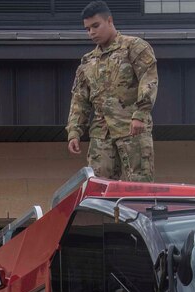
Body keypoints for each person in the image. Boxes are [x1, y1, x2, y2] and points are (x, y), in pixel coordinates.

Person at [65, 1, 159, 182]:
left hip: (132, 129)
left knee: (139, 185)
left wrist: (140, 114)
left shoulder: (134, 47)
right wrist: (74, 132)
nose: (91, 32)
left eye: (95, 26)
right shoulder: (88, 61)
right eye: (87, 29)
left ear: (109, 21)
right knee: (99, 188)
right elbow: (79, 99)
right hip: (101, 134)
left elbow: (149, 79)